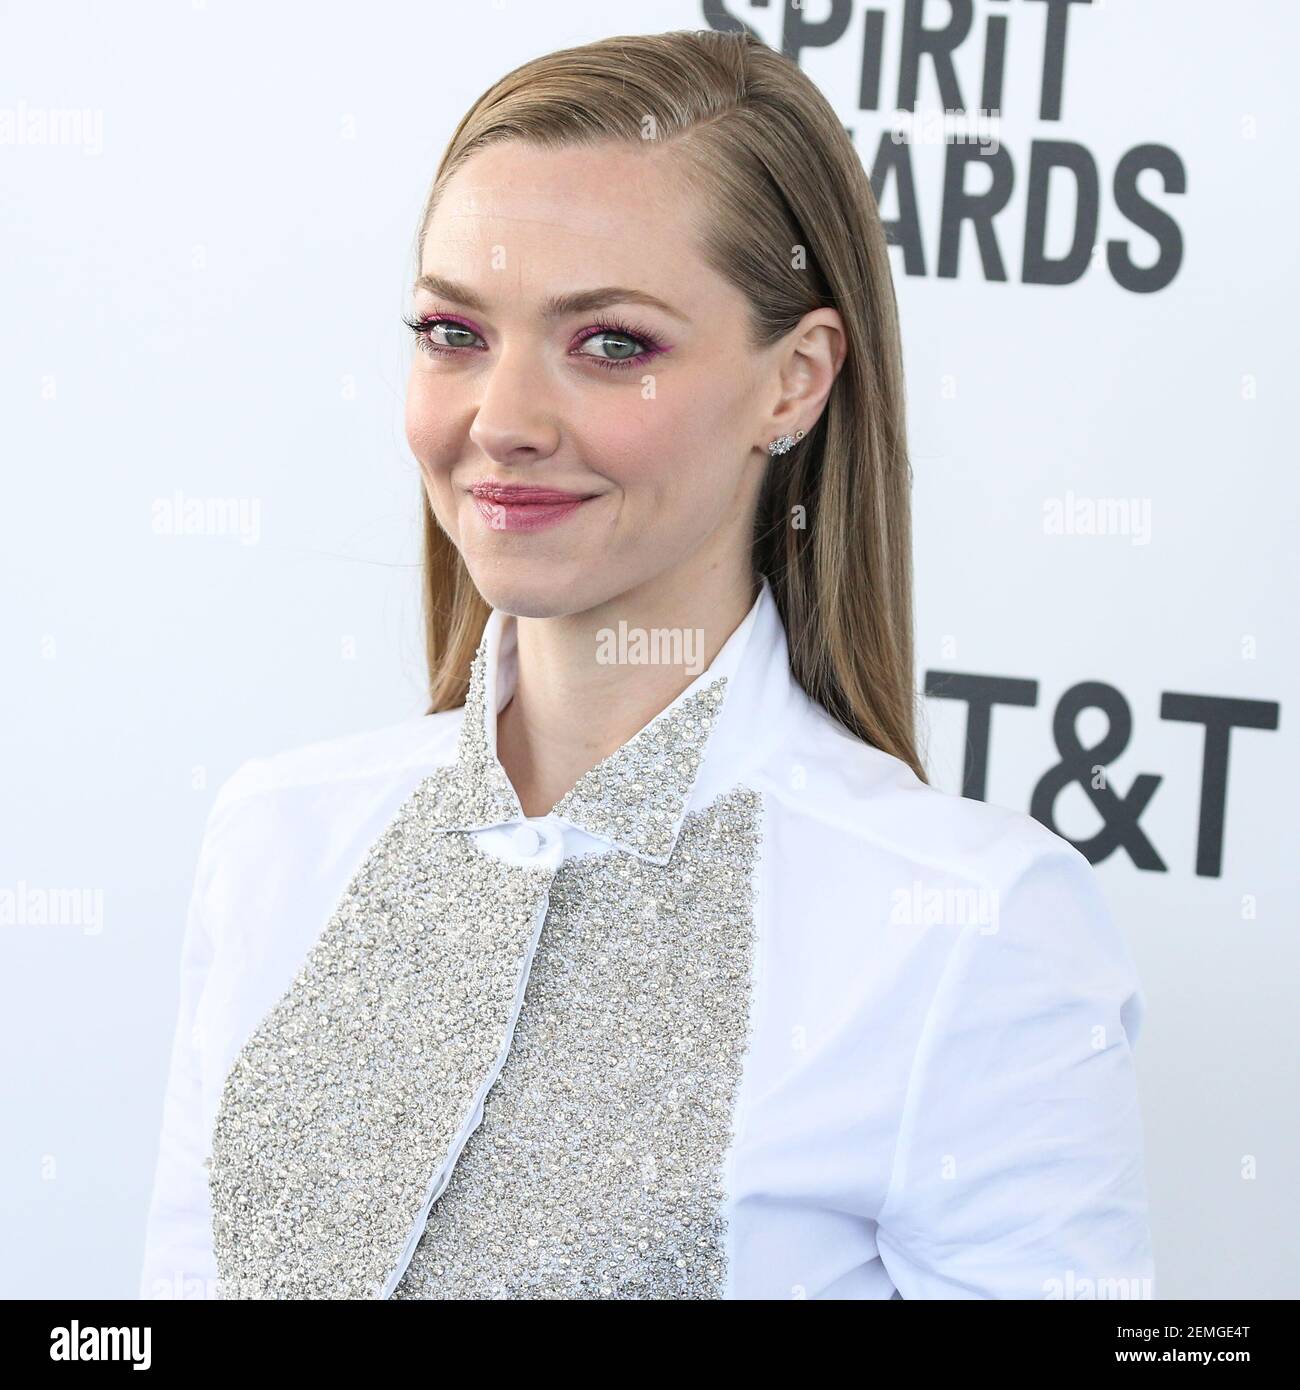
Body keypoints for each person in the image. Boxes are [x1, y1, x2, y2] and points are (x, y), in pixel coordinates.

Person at [139, 28, 1154, 1300]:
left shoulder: (969, 932)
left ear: (795, 380)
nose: (501, 421)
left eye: (611, 343)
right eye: (454, 331)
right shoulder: (277, 837)